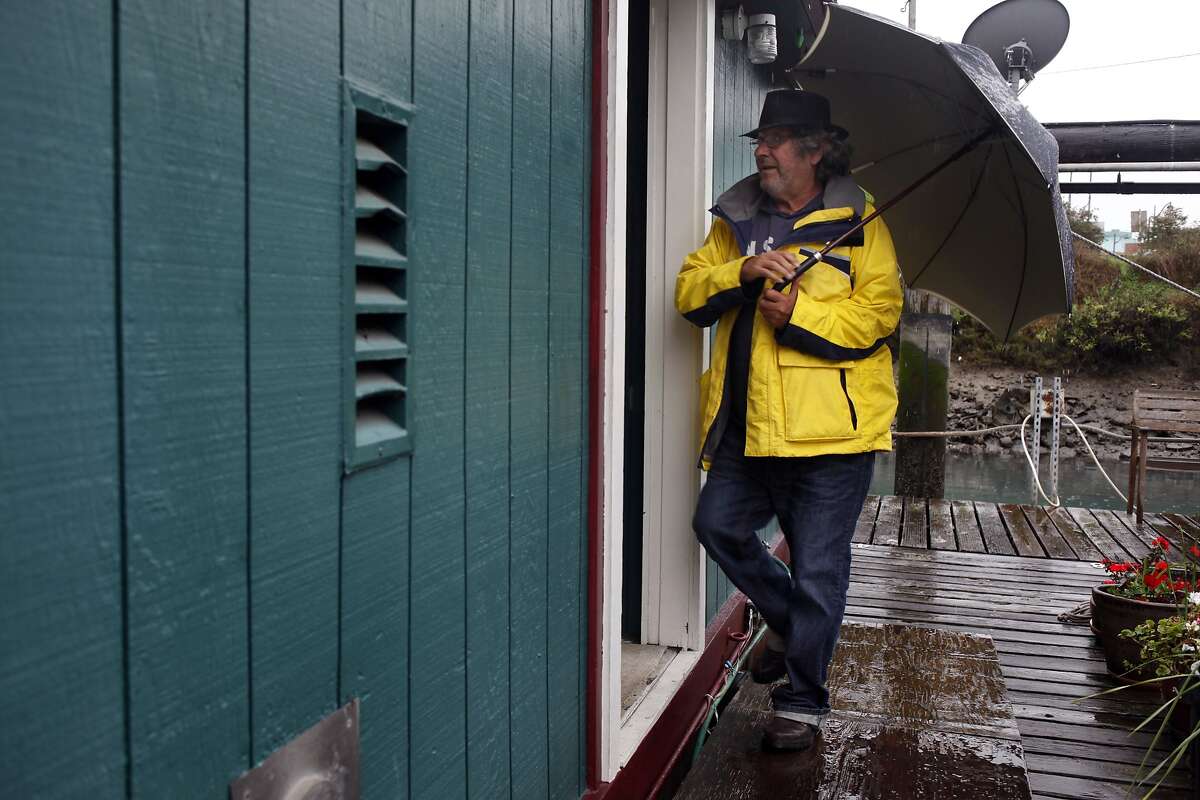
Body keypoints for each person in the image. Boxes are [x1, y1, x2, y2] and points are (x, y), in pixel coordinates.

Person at [674, 89, 903, 751]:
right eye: (760, 139)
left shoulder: (862, 221)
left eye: (776, 139)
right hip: (748, 428)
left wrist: (797, 314)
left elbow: (878, 317)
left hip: (832, 439)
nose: (762, 150)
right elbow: (689, 290)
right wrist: (741, 270)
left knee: (820, 571)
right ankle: (784, 618)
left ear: (817, 149)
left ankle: (802, 703)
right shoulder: (739, 214)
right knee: (715, 524)